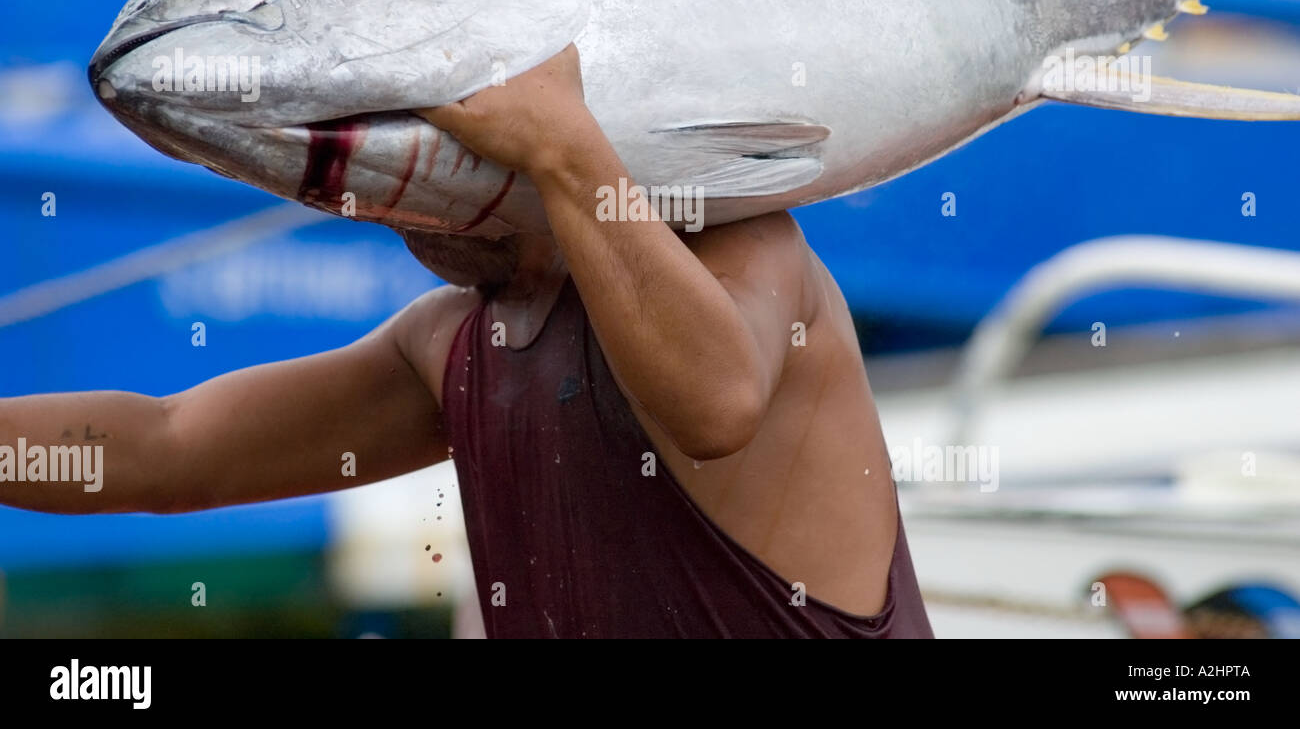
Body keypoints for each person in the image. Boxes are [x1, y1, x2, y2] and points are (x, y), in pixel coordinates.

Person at [0, 45, 932, 638]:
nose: (381, 217)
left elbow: (715, 403)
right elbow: (170, 450)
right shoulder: (452, 342)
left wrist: (566, 147)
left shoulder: (742, 242)